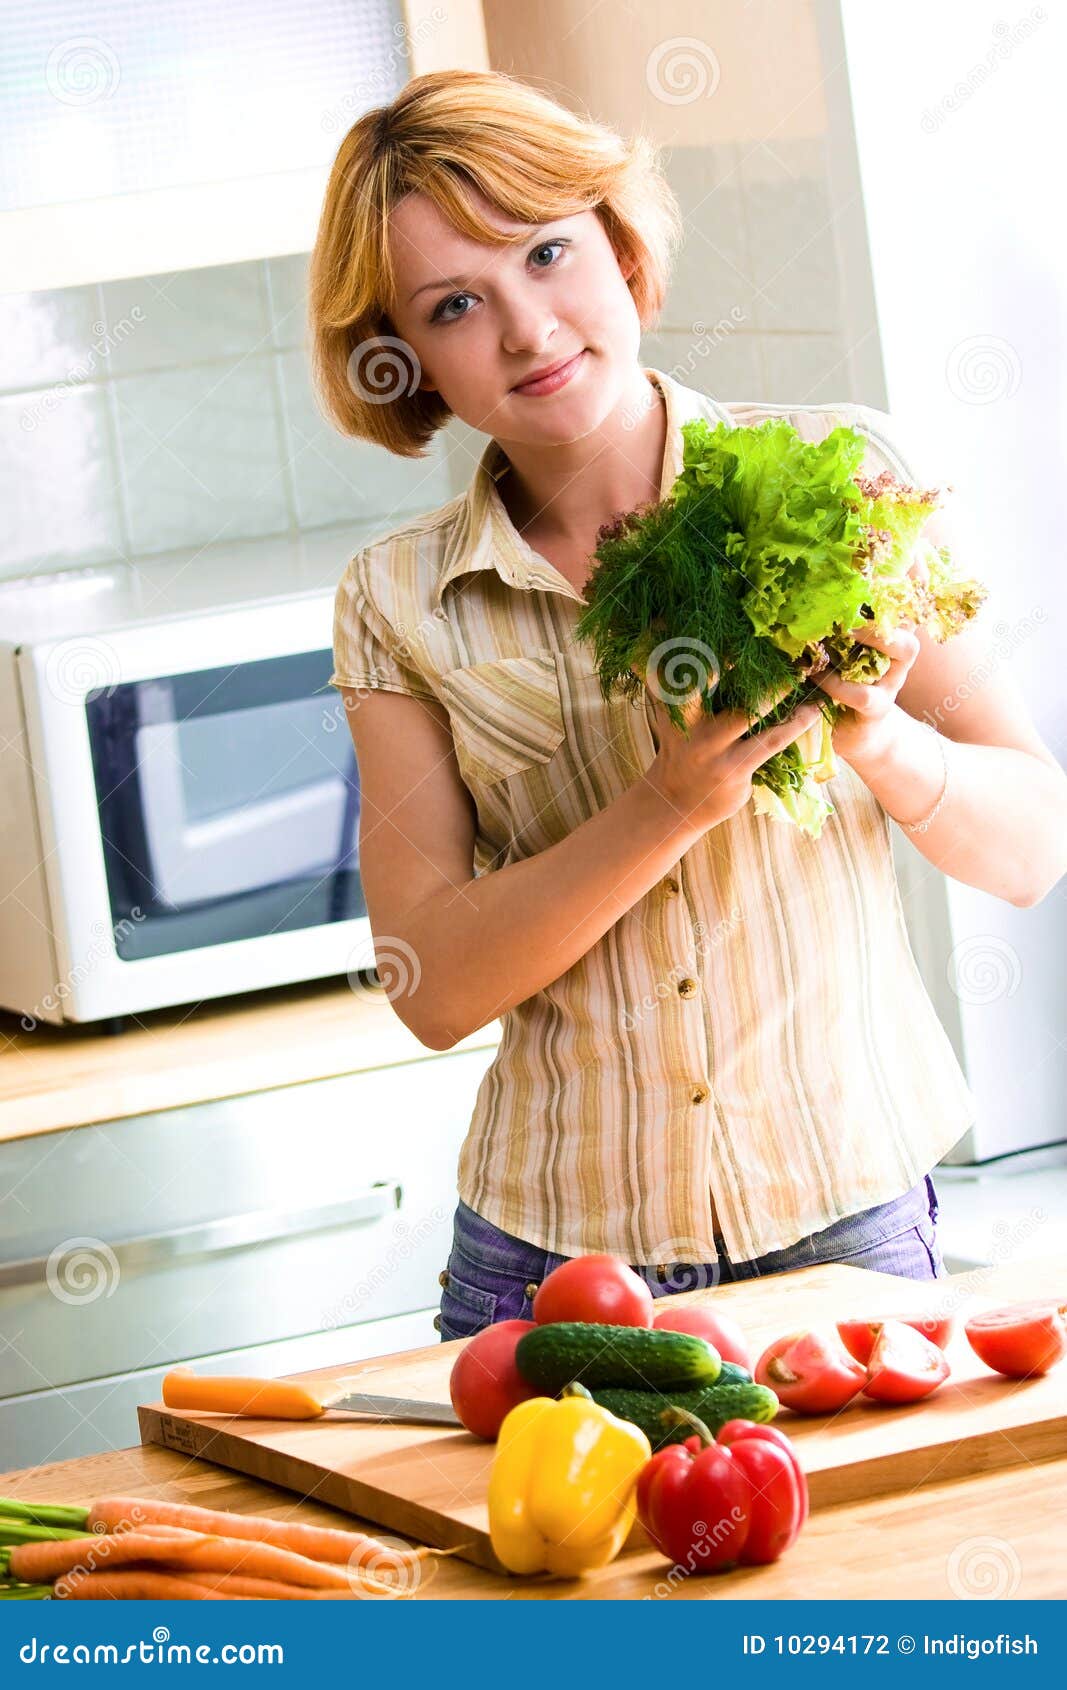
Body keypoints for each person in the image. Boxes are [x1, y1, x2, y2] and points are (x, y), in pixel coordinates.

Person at [308, 70, 1067, 1339]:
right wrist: (662, 804)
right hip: (550, 1270)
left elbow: (1034, 846)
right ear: (408, 363)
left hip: (849, 1231)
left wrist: (877, 735)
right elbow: (430, 984)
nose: (528, 329)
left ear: (616, 237)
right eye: (454, 305)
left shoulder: (844, 479)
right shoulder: (397, 600)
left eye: (548, 251)